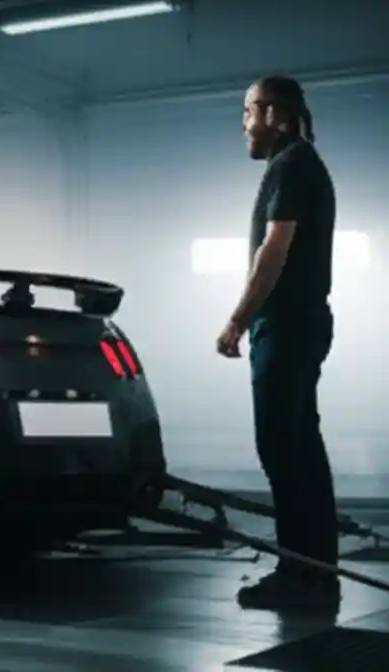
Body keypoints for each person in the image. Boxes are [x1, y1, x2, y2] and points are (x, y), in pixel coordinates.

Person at [216, 75, 339, 608]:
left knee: (283, 448)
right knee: (300, 447)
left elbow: (274, 249)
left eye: (248, 111)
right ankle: (314, 569)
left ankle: (300, 574)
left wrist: (237, 320)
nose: (243, 123)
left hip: (285, 325)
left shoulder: (290, 166)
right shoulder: (300, 165)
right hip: (301, 323)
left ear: (275, 115)